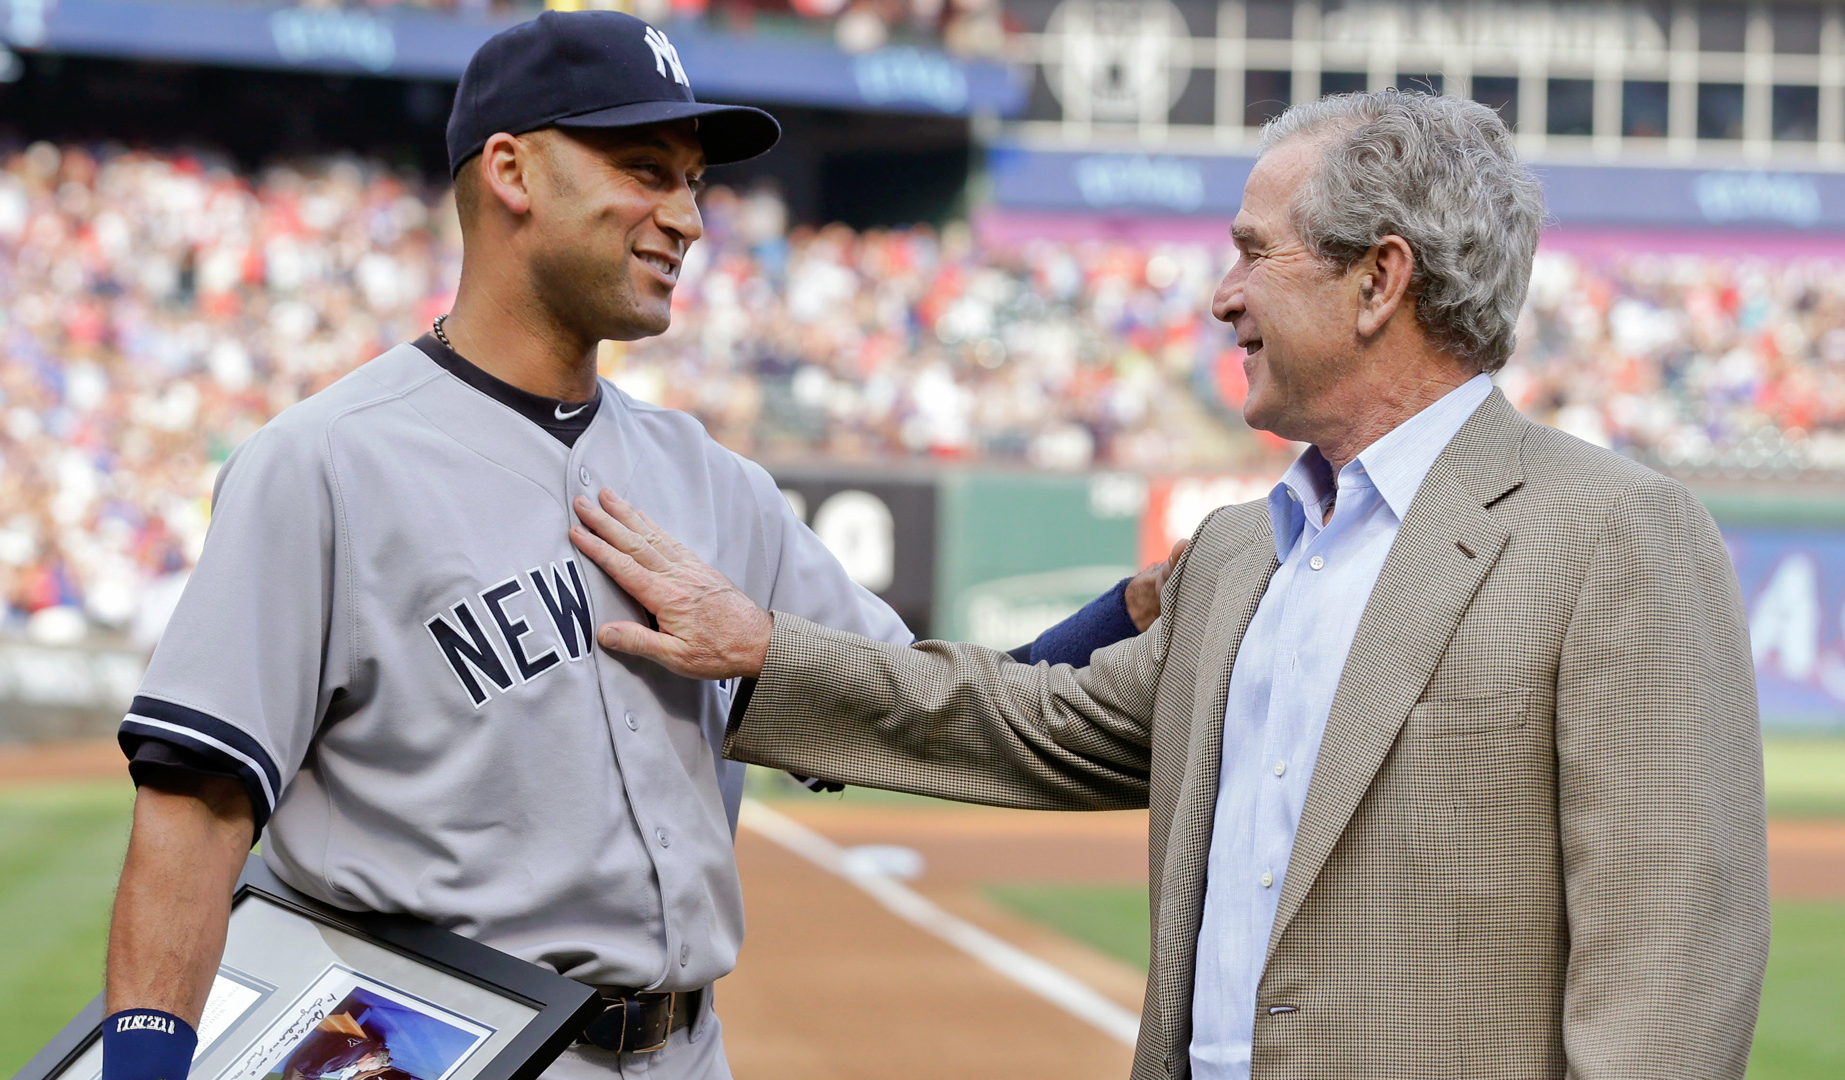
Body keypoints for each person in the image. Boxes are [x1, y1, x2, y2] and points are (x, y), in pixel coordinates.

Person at [565, 91, 1773, 1080]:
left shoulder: (1614, 535)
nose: (1220, 296)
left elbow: (1673, 975)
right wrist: (764, 651)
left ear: (1379, 280)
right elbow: (1025, 720)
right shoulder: (1244, 552)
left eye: (1254, 251)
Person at [96, 12, 1159, 1080]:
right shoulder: (325, 462)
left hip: (686, 1051)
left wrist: (1135, 613)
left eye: (693, 183)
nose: (687, 218)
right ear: (511, 172)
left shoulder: (712, 482)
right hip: (430, 1051)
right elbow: (198, 805)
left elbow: (917, 705)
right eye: (646, 171)